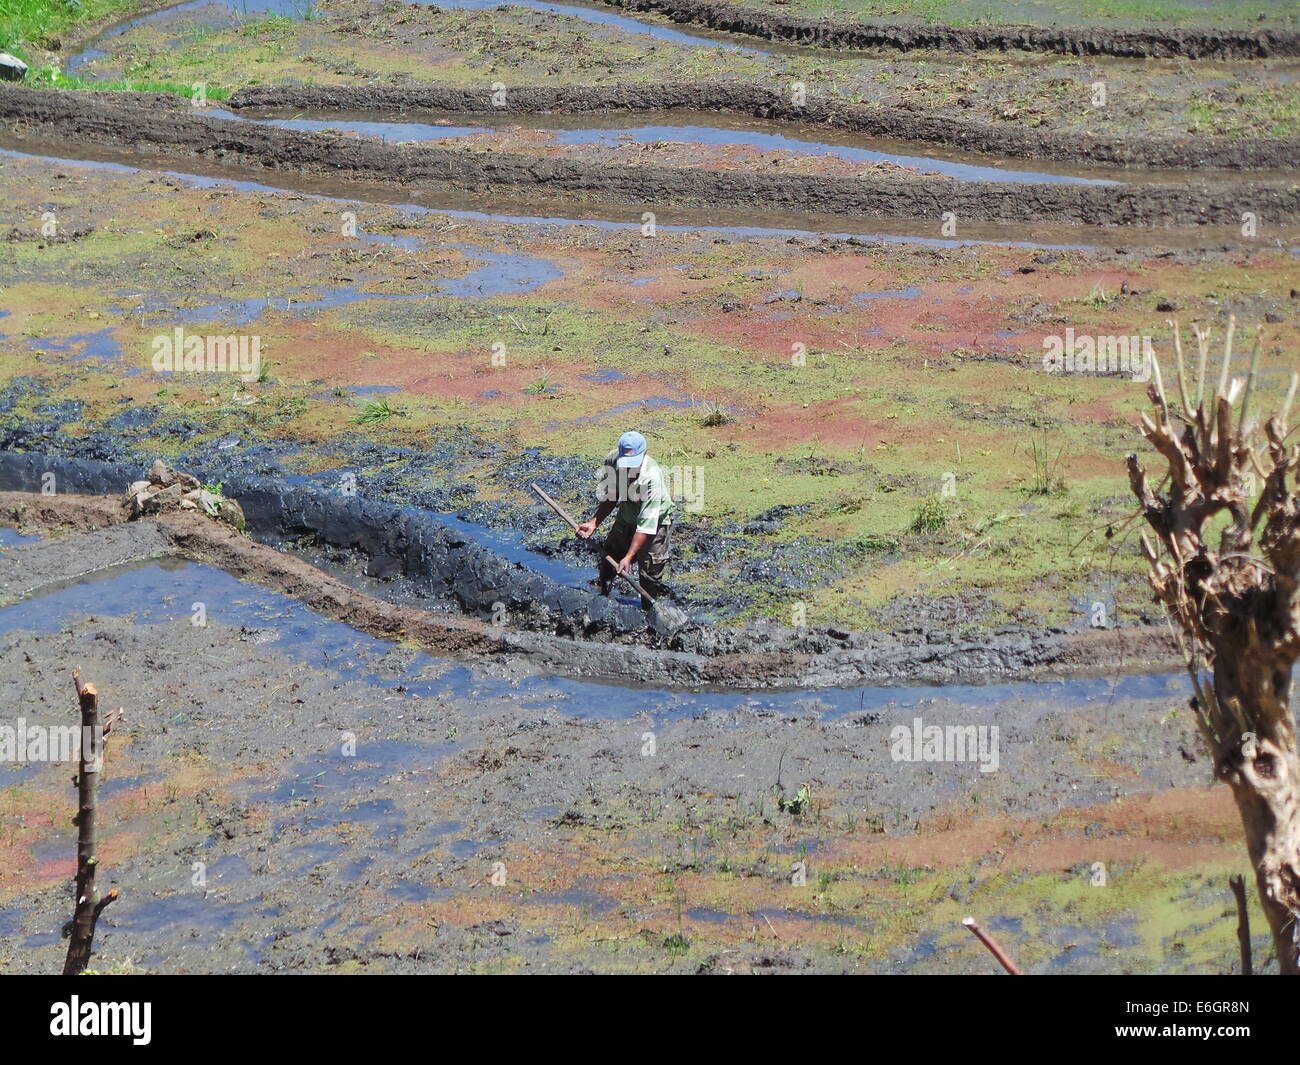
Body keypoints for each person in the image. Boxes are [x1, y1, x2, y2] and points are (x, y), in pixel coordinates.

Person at [575, 430, 675, 608]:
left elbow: (645, 527)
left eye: (632, 463)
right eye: (625, 463)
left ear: (643, 454)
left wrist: (629, 557)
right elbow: (612, 494)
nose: (628, 468)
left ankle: (648, 609)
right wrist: (594, 522)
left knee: (649, 575)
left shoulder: (651, 478)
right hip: (627, 515)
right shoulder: (613, 461)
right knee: (609, 557)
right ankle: (603, 596)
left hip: (654, 524)